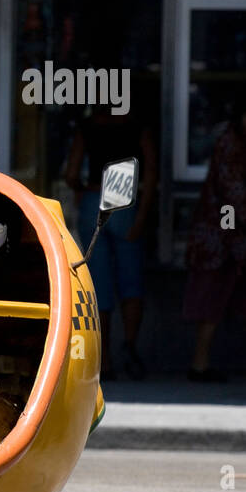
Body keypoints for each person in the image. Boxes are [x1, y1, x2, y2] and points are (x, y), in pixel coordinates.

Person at [182, 80, 246, 382]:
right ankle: (199, 365)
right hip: (224, 239)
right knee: (214, 298)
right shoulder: (231, 142)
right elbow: (230, 195)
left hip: (239, 239)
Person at [65, 103, 158, 379]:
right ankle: (130, 348)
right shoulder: (136, 126)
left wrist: (82, 189)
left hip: (94, 199)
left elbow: (70, 173)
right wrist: (141, 215)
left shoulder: (89, 126)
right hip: (124, 199)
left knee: (98, 285)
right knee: (131, 282)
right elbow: (151, 170)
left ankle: (102, 360)